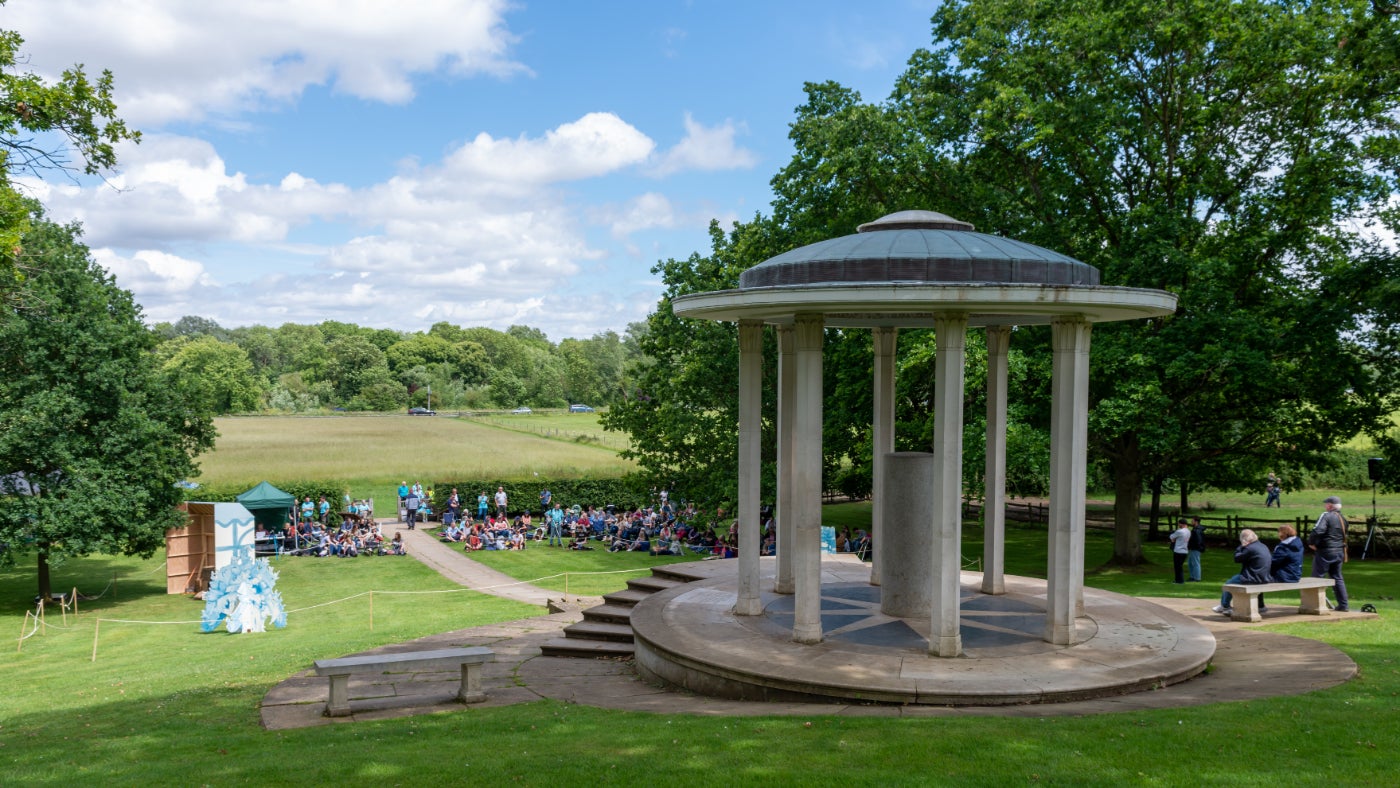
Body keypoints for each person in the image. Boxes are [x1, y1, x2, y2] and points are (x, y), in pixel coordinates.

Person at [1213, 528, 1270, 617]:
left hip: (1252, 577)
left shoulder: (1250, 548)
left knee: (1228, 584)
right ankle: (1261, 606)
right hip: (1264, 577)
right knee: (1253, 584)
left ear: (1244, 539)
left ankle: (1225, 606)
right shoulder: (1263, 546)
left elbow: (1237, 558)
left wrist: (1241, 546)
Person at [1308, 495, 1349, 612]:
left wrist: (1311, 542)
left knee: (1317, 578)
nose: (1325, 506)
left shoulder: (1326, 516)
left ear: (1330, 505)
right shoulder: (1343, 518)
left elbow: (1318, 530)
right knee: (1337, 578)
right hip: (1339, 551)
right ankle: (1343, 605)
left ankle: (1315, 605)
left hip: (1325, 551)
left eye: (1326, 504)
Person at [1168, 518, 1191, 584]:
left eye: (1179, 523)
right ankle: (1178, 580)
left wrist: (1174, 537)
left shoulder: (1179, 531)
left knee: (1177, 567)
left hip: (1178, 551)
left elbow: (1171, 537)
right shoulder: (1188, 531)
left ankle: (1179, 580)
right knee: (1180, 566)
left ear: (1182, 524)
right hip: (1185, 551)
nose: (1178, 525)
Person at [1187, 516, 1207, 582]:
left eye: (1192, 521)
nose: (1191, 522)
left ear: (1196, 522)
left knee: (1195, 563)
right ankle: (1192, 576)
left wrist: (1197, 547)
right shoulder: (1195, 529)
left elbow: (1198, 540)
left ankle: (1197, 578)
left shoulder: (1197, 530)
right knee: (1190, 562)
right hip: (1193, 548)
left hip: (1196, 548)